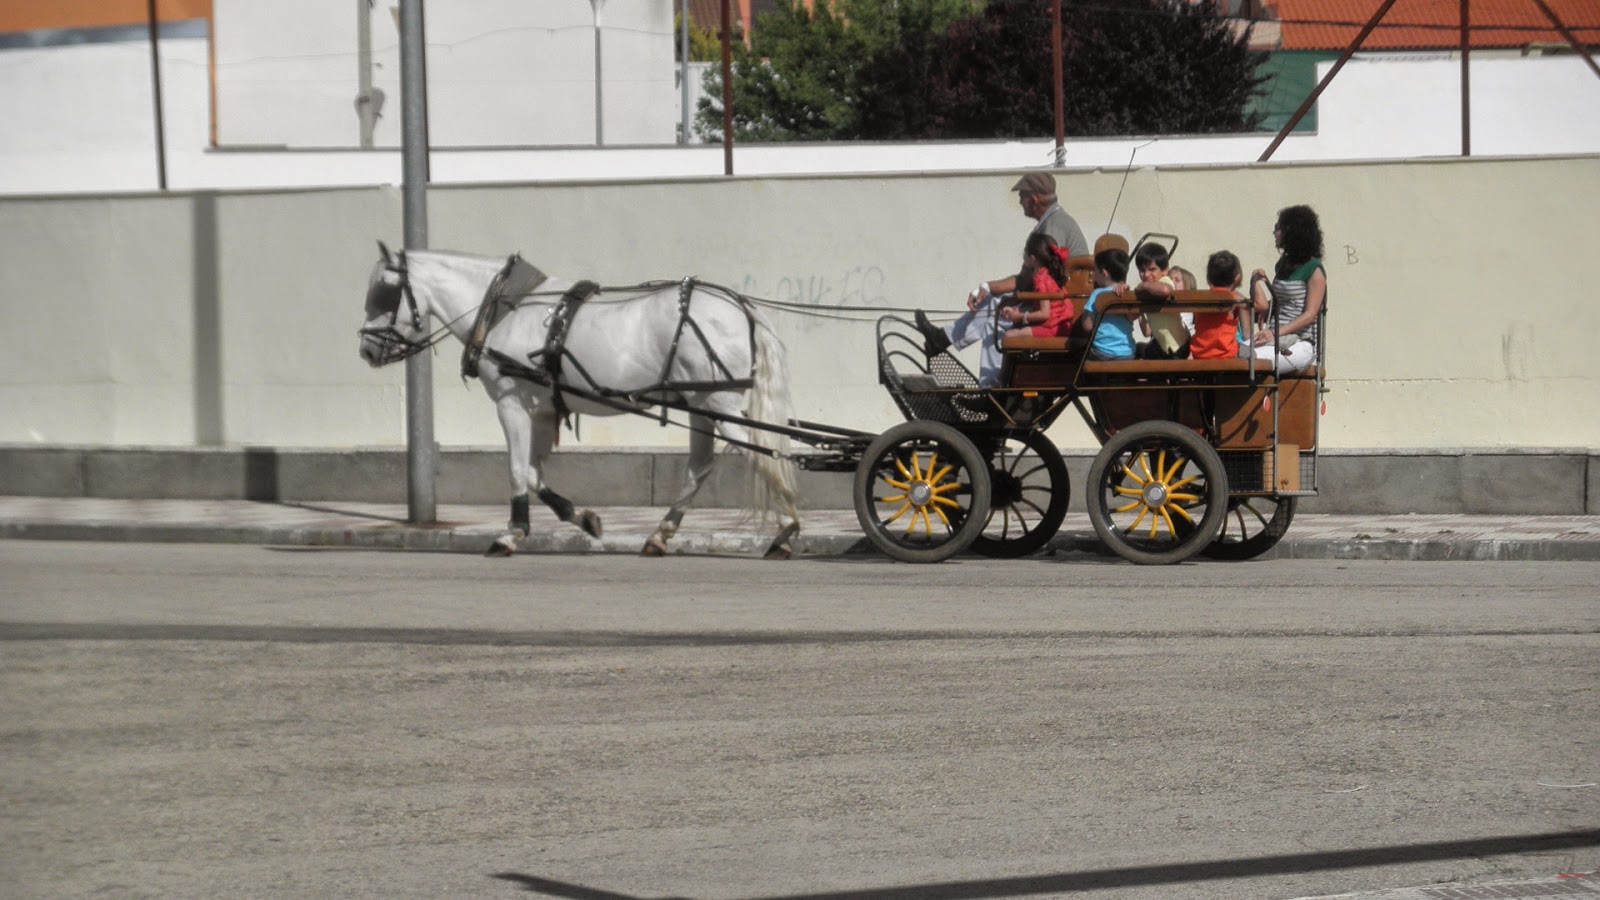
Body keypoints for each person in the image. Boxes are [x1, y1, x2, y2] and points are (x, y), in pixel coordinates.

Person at [913, 173, 1089, 382]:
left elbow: (1028, 280)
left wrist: (989, 288)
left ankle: (990, 389)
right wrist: (987, 287)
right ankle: (943, 340)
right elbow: (1029, 279)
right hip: (1053, 306)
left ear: (1034, 200)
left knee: (995, 319)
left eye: (1022, 196)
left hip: (1055, 314)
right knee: (994, 305)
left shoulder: (1052, 228)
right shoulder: (1054, 222)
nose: (1019, 201)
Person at [1249, 204, 1326, 373]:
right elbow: (1281, 302)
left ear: (1293, 232)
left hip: (1301, 342)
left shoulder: (1314, 270)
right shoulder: (1283, 265)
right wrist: (1258, 282)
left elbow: (1310, 315)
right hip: (1275, 335)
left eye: (1278, 228)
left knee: (1249, 358)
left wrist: (1275, 333)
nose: (1274, 233)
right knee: (1234, 353)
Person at [1132, 243, 1192, 359]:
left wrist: (1144, 286)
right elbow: (1147, 332)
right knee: (1138, 349)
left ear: (1165, 270)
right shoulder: (1149, 291)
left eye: (1152, 269)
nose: (1146, 274)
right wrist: (1139, 313)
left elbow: (1165, 290)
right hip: (1163, 345)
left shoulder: (1165, 281)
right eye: (1142, 270)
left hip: (1178, 345)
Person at [1078, 247, 1137, 361]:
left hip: (1102, 353)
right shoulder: (1128, 294)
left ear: (1104, 273)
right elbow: (1132, 317)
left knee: (1081, 354)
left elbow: (1087, 326)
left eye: (1095, 271)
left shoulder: (1098, 294)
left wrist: (1085, 315)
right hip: (1127, 353)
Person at [1189, 250, 1245, 360]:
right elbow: (1261, 305)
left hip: (1200, 353)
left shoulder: (1200, 298)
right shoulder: (1236, 299)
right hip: (1227, 353)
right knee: (1252, 354)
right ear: (1237, 278)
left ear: (1208, 278)